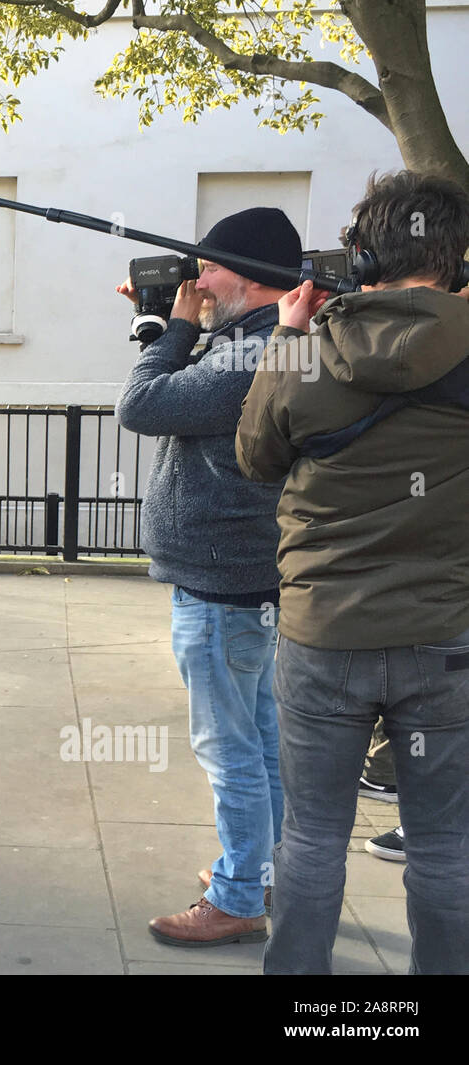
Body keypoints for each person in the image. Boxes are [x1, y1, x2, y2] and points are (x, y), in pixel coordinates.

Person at [237, 170, 469, 974]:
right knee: (444, 844)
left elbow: (256, 458)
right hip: (445, 639)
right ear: (458, 262)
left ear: (361, 254)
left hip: (323, 631)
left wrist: (286, 338)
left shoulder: (306, 352)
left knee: (310, 835)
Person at [115, 207, 302, 946]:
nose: (198, 280)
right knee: (260, 740)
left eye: (208, 267)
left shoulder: (249, 355)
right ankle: (258, 869)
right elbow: (176, 385)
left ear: (249, 276)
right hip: (247, 583)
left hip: (222, 589)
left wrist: (182, 329)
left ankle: (236, 898)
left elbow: (142, 405)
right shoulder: (272, 342)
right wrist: (170, 322)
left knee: (230, 750)